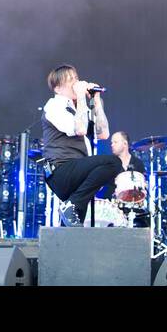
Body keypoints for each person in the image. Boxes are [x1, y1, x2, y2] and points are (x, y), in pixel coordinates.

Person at [40, 64, 123, 227]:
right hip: (60, 169)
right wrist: (81, 97)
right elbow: (80, 129)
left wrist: (97, 101)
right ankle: (72, 205)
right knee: (113, 162)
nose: (75, 82)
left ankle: (71, 208)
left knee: (74, 227)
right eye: (69, 79)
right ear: (57, 88)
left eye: (76, 78)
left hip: (77, 170)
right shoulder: (54, 105)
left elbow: (103, 133)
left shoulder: (77, 106)